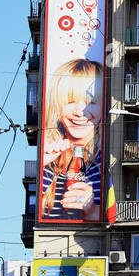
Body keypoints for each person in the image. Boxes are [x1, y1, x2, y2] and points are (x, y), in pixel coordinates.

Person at [40, 58, 103, 221]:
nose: (79, 111)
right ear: (57, 105)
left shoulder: (106, 163)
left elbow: (117, 220)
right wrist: (42, 164)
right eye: (69, 101)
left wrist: (91, 211)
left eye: (91, 102)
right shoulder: (49, 160)